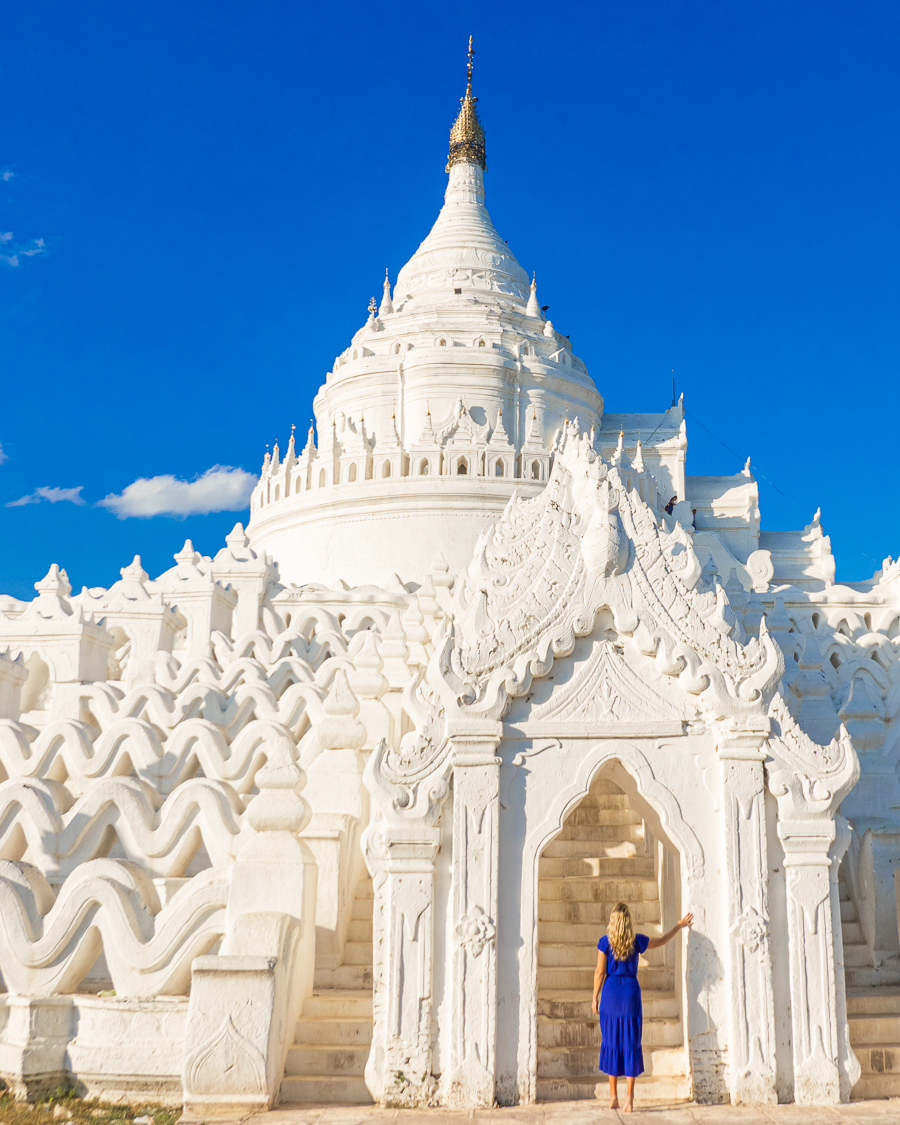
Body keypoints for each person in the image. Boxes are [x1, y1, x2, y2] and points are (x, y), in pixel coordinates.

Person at [591, 902, 693, 1113]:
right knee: (630, 1042)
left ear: (612, 921)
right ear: (628, 921)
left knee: (611, 1042)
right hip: (630, 995)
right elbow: (663, 939)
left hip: (610, 995)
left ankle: (613, 1096)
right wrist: (679, 925)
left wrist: (594, 997)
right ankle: (629, 1097)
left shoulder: (604, 942)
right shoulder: (636, 941)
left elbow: (599, 973)